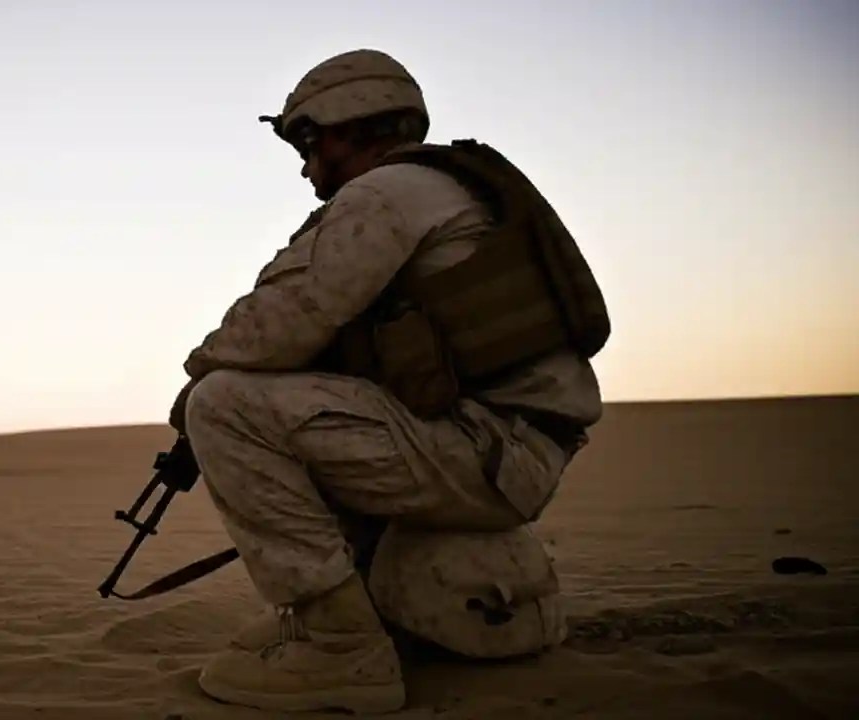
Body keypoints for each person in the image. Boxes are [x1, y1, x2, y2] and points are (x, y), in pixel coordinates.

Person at [168, 48, 608, 714]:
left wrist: (197, 375)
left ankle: (339, 647)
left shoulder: (389, 192)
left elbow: (287, 317)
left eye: (315, 145)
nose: (310, 168)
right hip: (504, 450)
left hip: (482, 448)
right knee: (308, 397)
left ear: (357, 121)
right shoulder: (447, 187)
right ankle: (366, 612)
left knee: (225, 405)